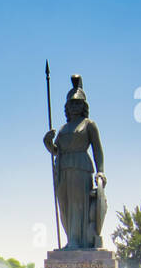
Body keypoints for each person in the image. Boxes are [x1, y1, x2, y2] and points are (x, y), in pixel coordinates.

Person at [42, 74, 107, 249]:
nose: (75, 106)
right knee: (64, 206)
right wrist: (48, 143)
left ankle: (77, 241)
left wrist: (101, 171)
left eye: (78, 103)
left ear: (84, 106)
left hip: (80, 167)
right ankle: (71, 238)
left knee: (78, 205)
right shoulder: (63, 128)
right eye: (72, 103)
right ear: (67, 107)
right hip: (62, 168)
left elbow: (97, 150)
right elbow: (57, 151)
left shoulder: (89, 124)